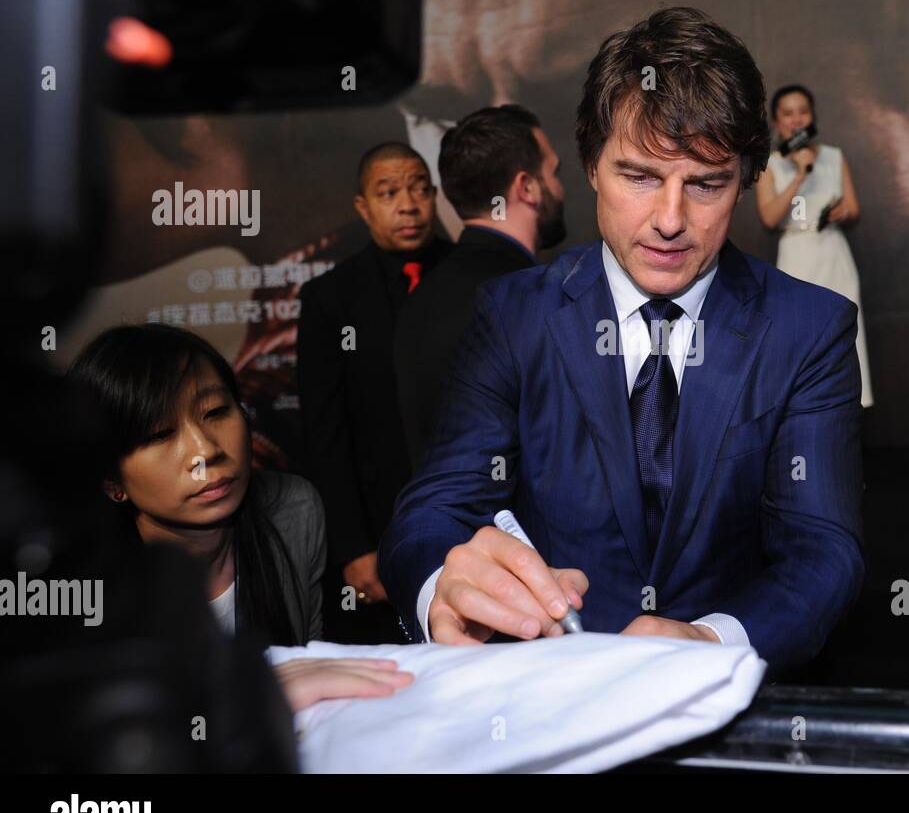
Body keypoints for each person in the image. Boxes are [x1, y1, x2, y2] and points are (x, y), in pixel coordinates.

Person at [379, 7, 866, 674]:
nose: (670, 219)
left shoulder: (809, 328)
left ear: (745, 183)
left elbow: (823, 549)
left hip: (729, 714)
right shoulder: (514, 312)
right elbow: (435, 504)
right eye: (639, 176)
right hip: (552, 703)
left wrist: (714, 642)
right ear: (590, 166)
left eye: (705, 183)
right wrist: (441, 590)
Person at [66, 323, 415, 713]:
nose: (204, 451)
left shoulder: (293, 511)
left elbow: (311, 676)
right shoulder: (79, 581)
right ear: (112, 478)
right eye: (159, 434)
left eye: (216, 412)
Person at [297, 143, 451, 643]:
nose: (407, 205)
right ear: (363, 207)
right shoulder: (329, 299)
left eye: (418, 189)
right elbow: (326, 433)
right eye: (388, 193)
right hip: (379, 525)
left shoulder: (471, 278)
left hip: (473, 519)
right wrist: (353, 547)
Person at [394, 105, 567, 466]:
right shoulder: (534, 300)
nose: (560, 188)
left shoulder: (418, 299)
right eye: (554, 172)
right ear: (527, 187)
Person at [755, 84, 873, 407]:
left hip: (833, 251)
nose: (797, 119)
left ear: (813, 116)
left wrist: (843, 211)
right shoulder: (769, 164)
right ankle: (800, 404)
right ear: (777, 122)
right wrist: (800, 173)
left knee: (843, 329)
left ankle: (848, 402)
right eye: (788, 113)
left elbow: (854, 208)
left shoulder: (834, 157)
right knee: (797, 333)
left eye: (803, 111)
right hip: (796, 253)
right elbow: (769, 217)